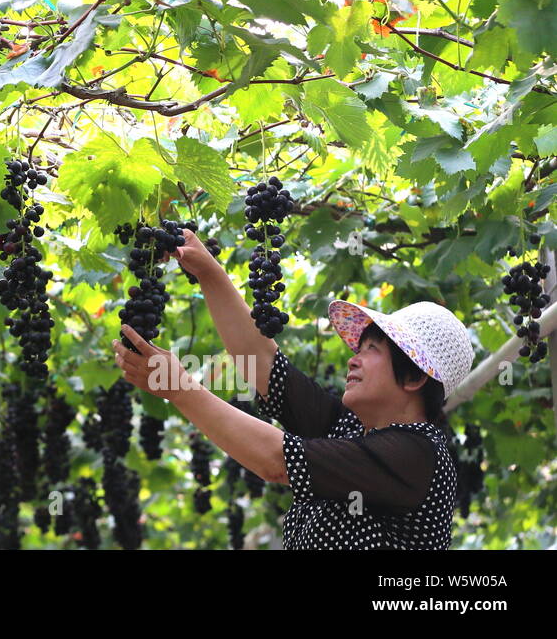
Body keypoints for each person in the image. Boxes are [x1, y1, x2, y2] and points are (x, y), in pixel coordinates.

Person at [111, 229, 472, 550]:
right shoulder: (349, 429)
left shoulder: (418, 454)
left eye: (371, 350)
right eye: (358, 349)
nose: (353, 360)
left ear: (414, 378)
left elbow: (276, 461)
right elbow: (260, 361)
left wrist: (180, 389)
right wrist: (206, 270)